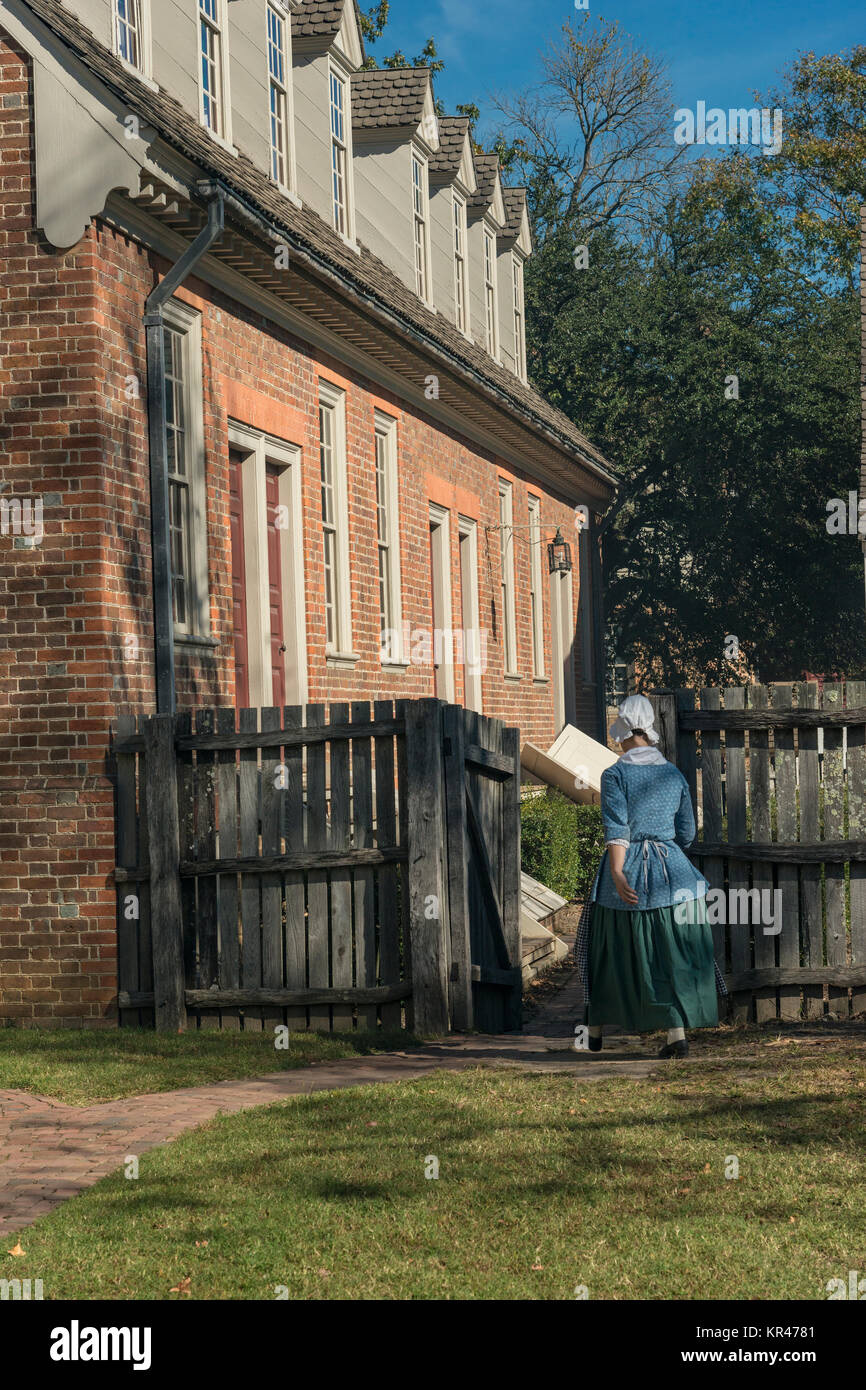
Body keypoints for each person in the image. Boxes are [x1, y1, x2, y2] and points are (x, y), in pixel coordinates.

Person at [575, 694, 726, 1058]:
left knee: (609, 953)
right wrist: (668, 853)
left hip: (626, 869)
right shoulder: (673, 773)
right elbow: (687, 832)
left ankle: (593, 1034)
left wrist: (616, 869)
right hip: (673, 873)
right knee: (671, 954)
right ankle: (677, 1037)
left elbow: (617, 828)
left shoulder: (615, 774)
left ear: (623, 732)